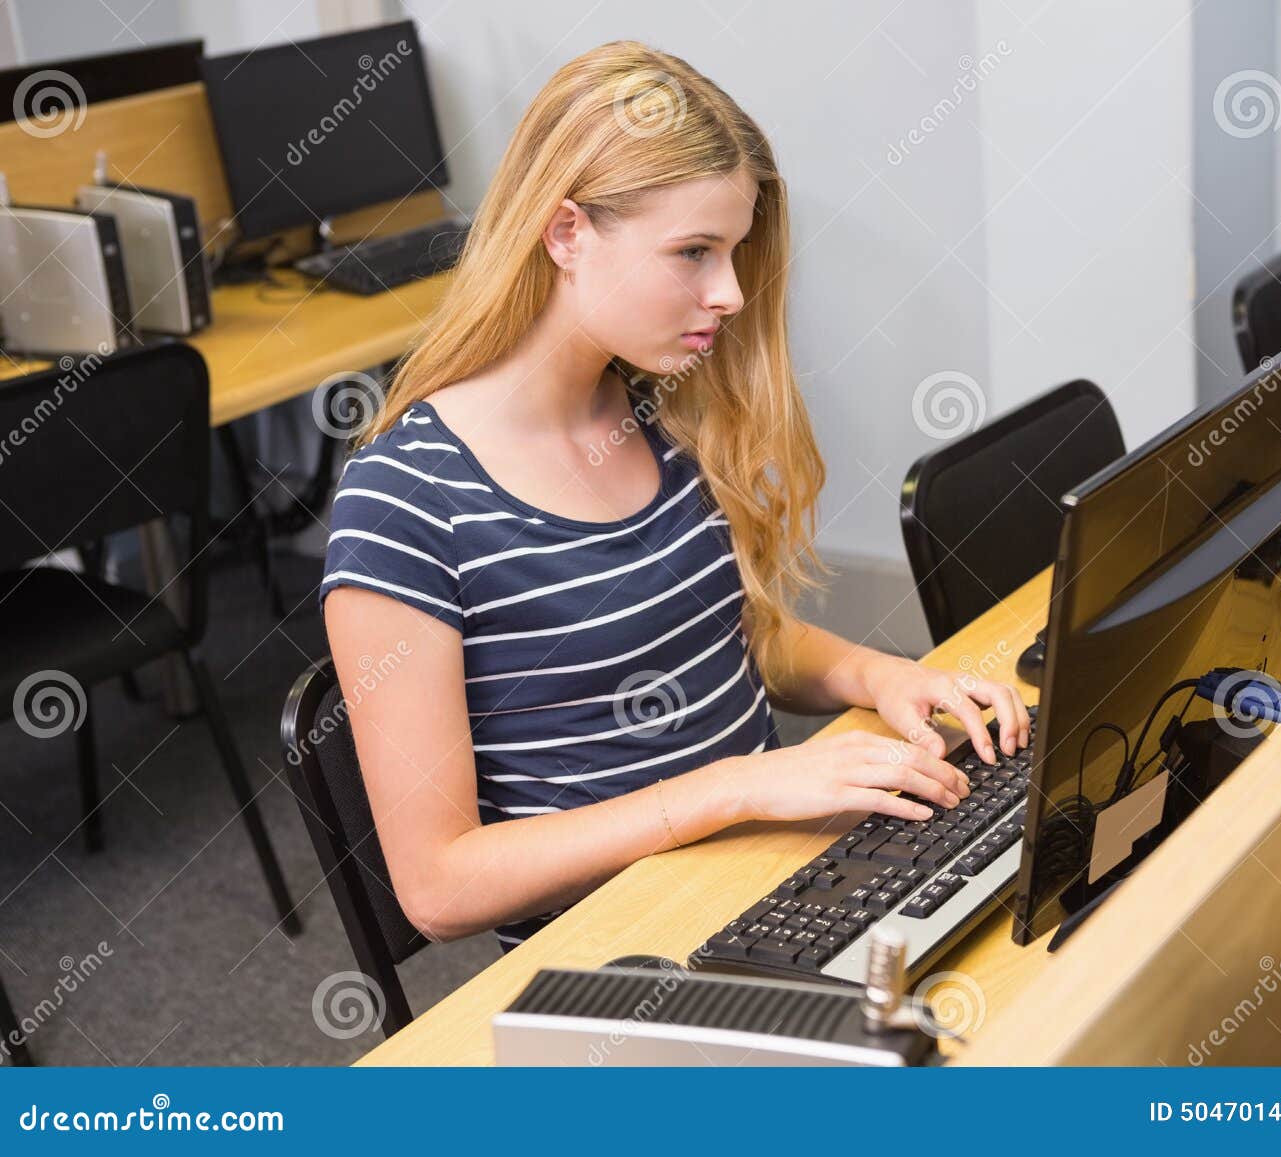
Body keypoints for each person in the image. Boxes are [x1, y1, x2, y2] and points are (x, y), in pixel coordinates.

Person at [320, 41, 1029, 951]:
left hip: (767, 879)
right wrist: (736, 786)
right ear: (566, 232)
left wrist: (881, 674)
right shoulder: (407, 501)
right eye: (693, 251)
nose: (730, 292)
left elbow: (725, 635)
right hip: (625, 956)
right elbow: (438, 885)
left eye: (731, 253)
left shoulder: (654, 411)